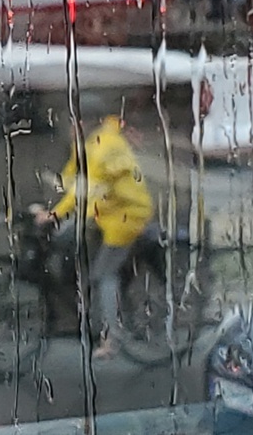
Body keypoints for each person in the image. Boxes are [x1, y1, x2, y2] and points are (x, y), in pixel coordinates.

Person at [35, 106, 154, 358]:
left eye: (71, 122)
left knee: (104, 275)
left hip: (126, 216)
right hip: (104, 212)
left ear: (82, 122)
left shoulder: (102, 148)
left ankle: (112, 340)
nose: (68, 128)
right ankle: (83, 303)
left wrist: (54, 214)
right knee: (61, 237)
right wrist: (48, 205)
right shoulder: (89, 144)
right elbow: (70, 179)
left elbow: (83, 189)